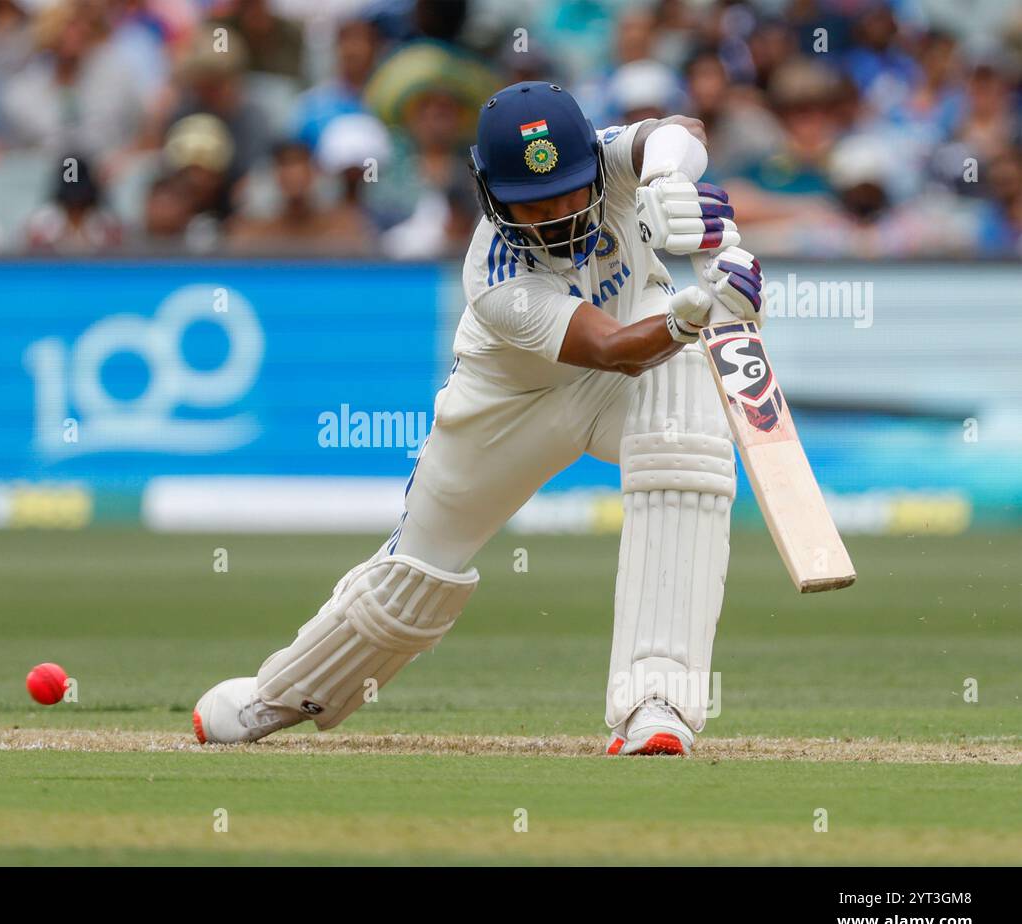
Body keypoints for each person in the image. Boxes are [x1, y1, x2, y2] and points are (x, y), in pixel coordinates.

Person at [194, 81, 766, 756]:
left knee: (684, 429)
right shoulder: (493, 274)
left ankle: (657, 703)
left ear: (593, 160)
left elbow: (682, 127)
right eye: (532, 203)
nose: (555, 216)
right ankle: (278, 695)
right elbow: (613, 350)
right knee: (416, 581)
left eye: (567, 192)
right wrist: (698, 308)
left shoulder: (611, 161)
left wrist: (672, 180)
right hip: (504, 414)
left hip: (623, 387)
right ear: (491, 196)